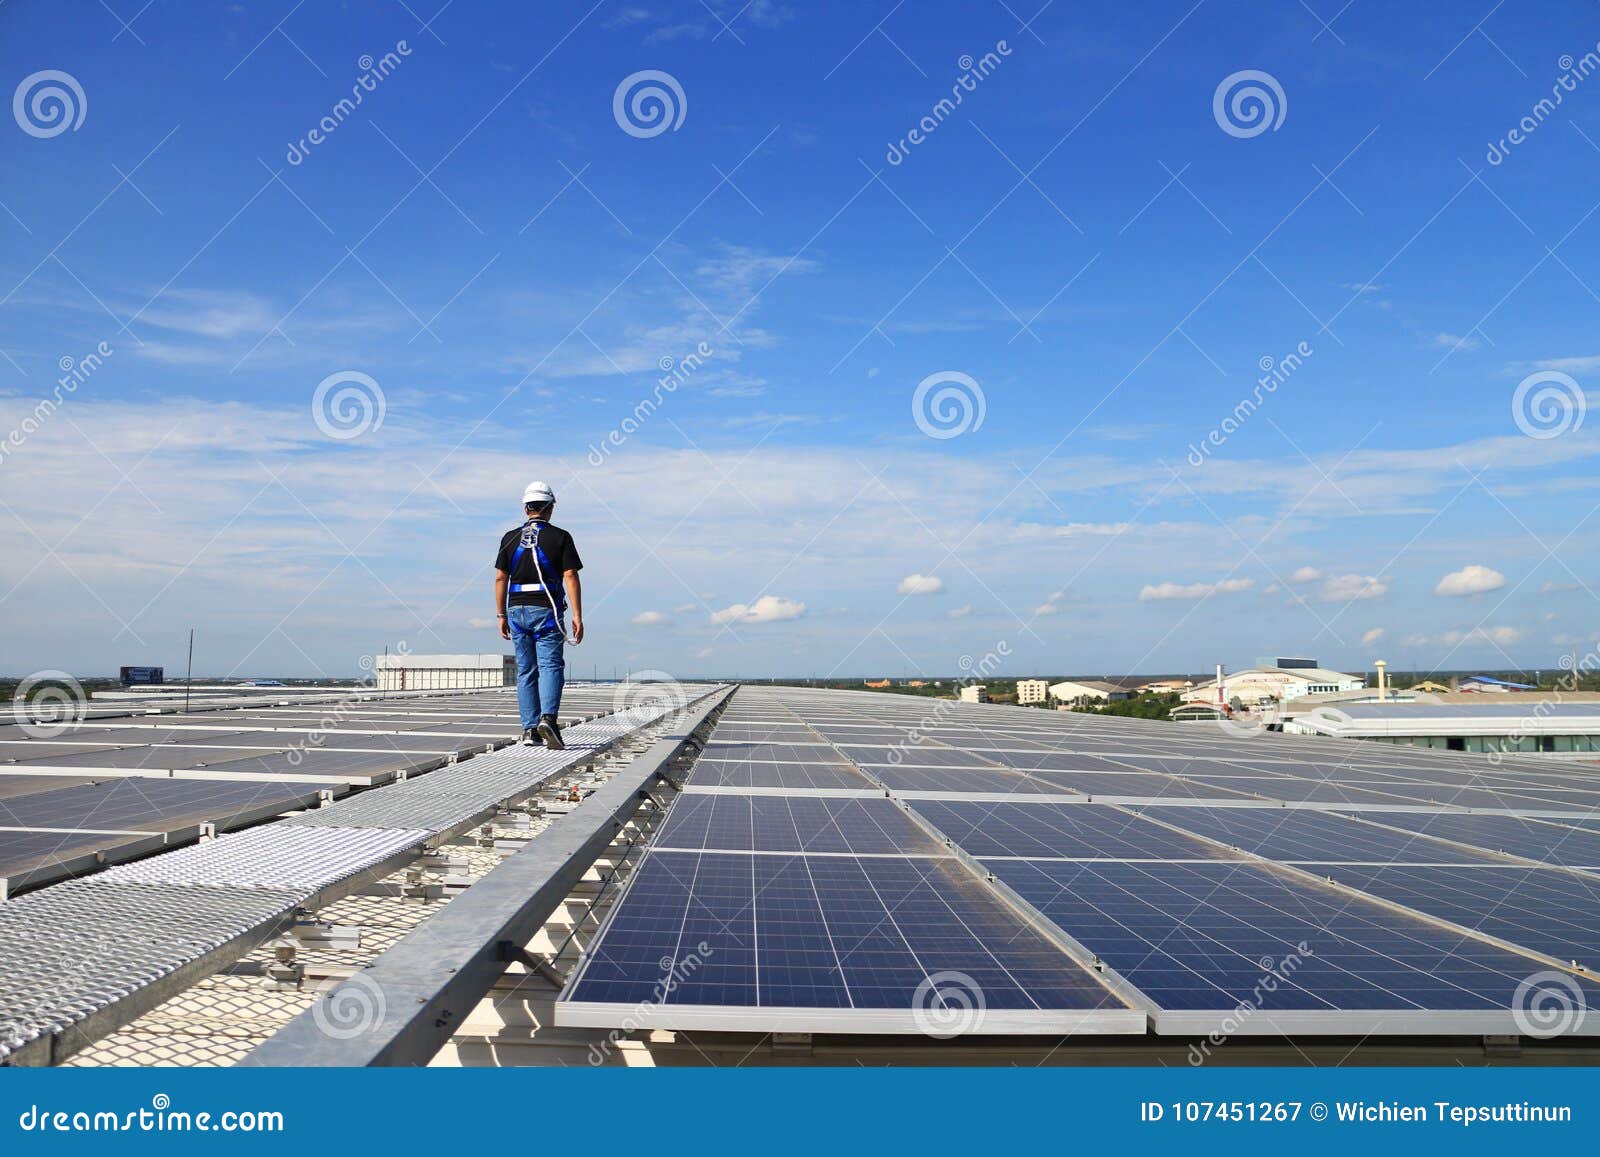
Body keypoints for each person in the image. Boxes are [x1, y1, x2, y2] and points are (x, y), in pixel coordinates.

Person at [493, 481, 584, 748]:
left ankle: (529, 730)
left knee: (526, 671)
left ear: (526, 508)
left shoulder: (509, 538)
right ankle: (549, 719)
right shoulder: (561, 537)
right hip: (547, 610)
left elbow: (500, 578)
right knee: (550, 666)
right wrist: (577, 616)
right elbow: (570, 575)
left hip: (515, 610)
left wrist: (501, 615)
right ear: (550, 508)